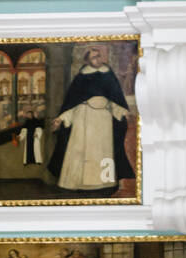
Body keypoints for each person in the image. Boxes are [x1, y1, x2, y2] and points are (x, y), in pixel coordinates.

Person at [48, 46, 135, 192]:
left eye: (99, 56)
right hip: (83, 118)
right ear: (88, 60)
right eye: (94, 57)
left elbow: (114, 101)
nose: (98, 59)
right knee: (79, 153)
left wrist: (123, 112)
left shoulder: (108, 75)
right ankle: (78, 184)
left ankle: (104, 184)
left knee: (102, 152)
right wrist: (61, 119)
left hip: (103, 121)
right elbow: (72, 103)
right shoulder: (82, 76)